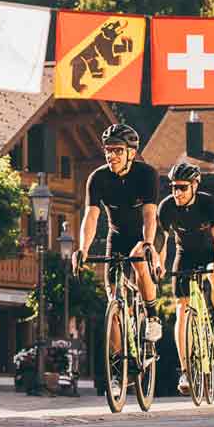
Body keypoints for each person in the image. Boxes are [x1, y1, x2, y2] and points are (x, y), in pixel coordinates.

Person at [73, 123, 160, 394]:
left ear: (131, 152)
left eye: (118, 151)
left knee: (138, 260)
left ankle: (153, 316)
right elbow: (91, 217)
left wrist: (148, 244)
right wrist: (83, 249)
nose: (112, 155)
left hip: (143, 235)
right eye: (108, 150)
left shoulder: (146, 174)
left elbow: (149, 215)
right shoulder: (98, 178)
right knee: (113, 302)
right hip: (117, 236)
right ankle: (120, 365)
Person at [152, 160, 214, 396]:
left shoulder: (208, 203)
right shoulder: (166, 207)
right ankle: (186, 370)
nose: (177, 192)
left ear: (195, 186)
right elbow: (161, 241)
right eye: (174, 187)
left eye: (182, 187)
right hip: (185, 255)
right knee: (181, 309)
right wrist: (159, 264)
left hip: (211, 252)